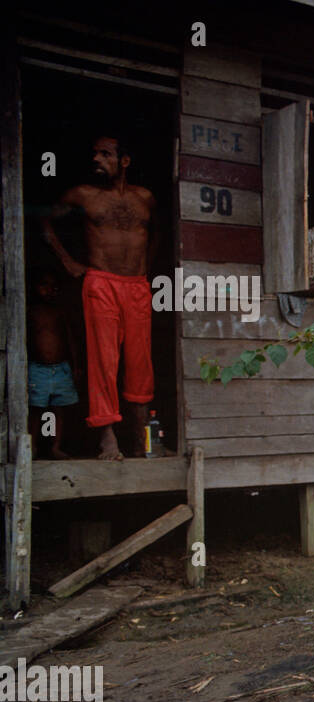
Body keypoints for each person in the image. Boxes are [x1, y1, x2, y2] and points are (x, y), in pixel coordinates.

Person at [42, 134, 157, 460]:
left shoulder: (145, 198)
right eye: (94, 154)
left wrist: (147, 266)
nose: (97, 160)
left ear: (124, 161)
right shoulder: (83, 195)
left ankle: (140, 441)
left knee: (140, 361)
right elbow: (44, 219)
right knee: (103, 361)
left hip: (136, 285)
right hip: (101, 283)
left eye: (105, 154)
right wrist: (67, 261)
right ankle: (108, 441)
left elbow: (158, 231)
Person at [26, 269, 81, 459]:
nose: (49, 290)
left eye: (54, 287)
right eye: (44, 286)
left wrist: (75, 366)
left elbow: (70, 340)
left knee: (59, 409)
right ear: (34, 288)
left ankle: (55, 447)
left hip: (61, 368)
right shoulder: (30, 312)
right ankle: (31, 446)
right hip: (38, 369)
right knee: (36, 409)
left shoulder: (59, 312)